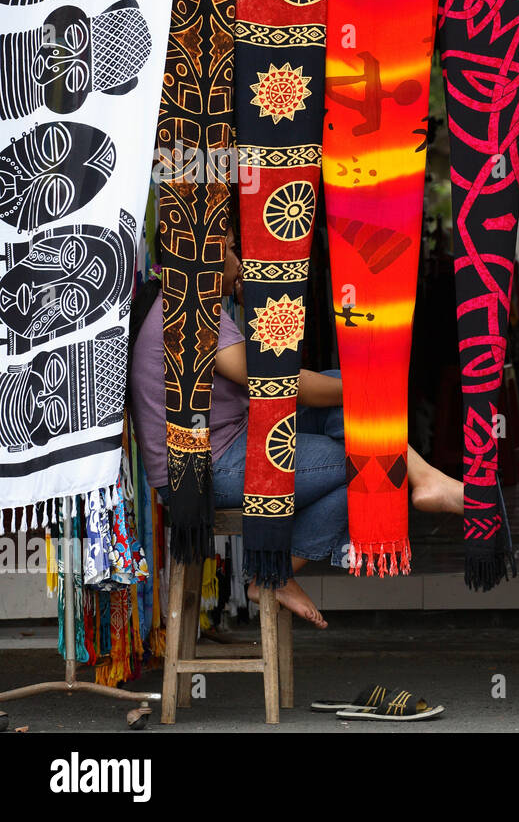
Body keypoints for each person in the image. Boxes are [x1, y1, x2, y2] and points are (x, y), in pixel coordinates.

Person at [129, 237, 463, 628]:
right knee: (366, 457)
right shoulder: (190, 309)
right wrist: (366, 389)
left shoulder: (184, 299)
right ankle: (275, 573)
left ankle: (423, 478)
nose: (242, 260)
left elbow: (270, 377)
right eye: (234, 249)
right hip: (206, 471)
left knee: (338, 391)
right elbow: (274, 382)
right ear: (210, 256)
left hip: (231, 444)